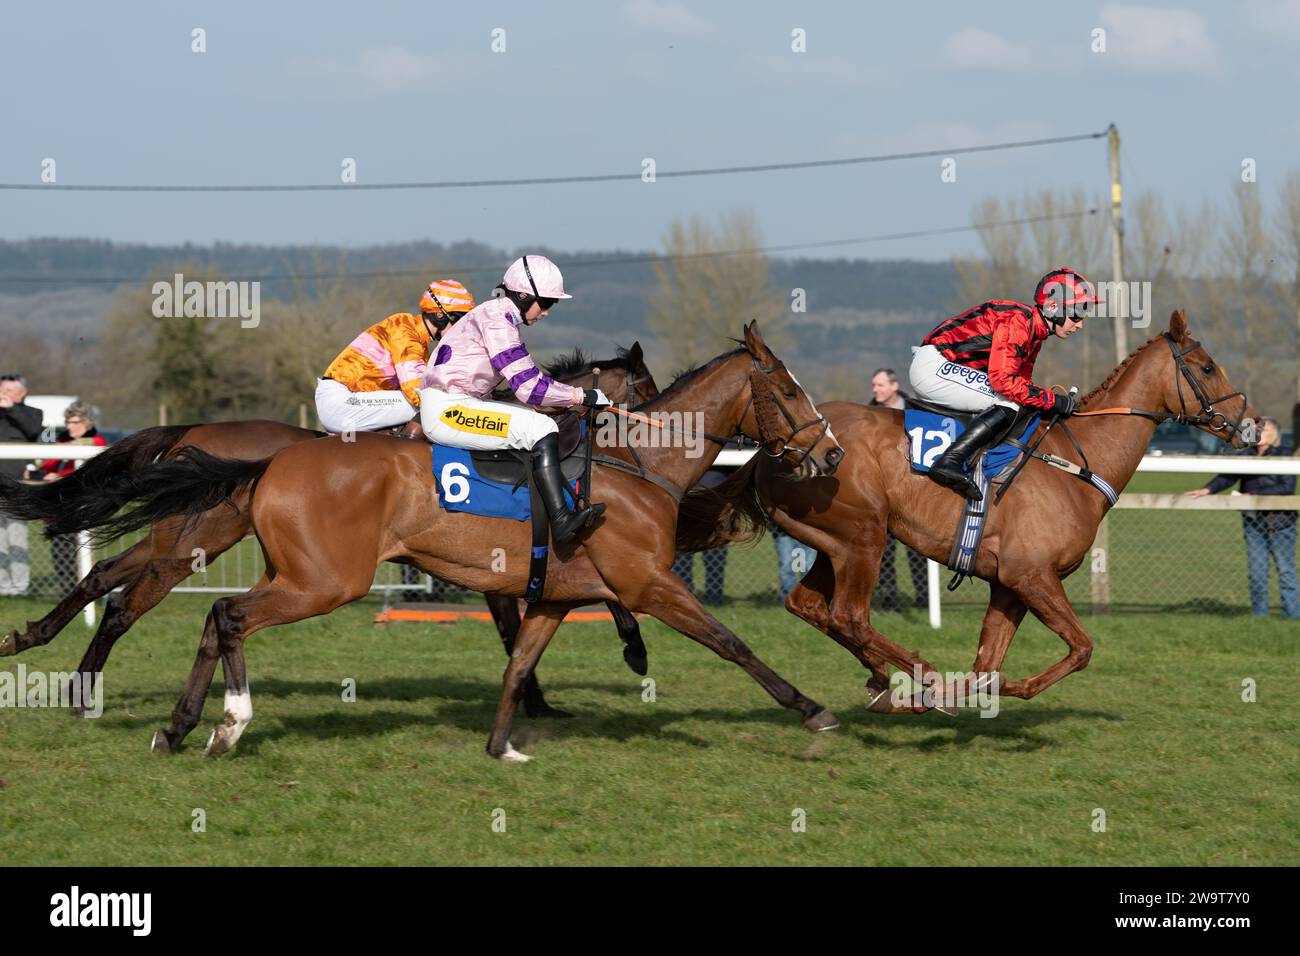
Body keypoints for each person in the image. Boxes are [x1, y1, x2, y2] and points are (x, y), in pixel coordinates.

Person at [419, 255, 610, 545]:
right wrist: (580, 395)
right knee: (541, 429)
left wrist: (565, 401)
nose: (546, 312)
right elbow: (530, 387)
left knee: (538, 420)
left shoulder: (499, 316)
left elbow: (529, 386)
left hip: (457, 402)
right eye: (545, 303)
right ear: (523, 295)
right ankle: (560, 520)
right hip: (449, 409)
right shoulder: (497, 321)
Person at [909, 268, 1097, 500]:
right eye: (1076, 315)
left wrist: (1050, 403)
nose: (1079, 325)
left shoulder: (1034, 336)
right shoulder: (1018, 322)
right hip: (933, 367)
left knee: (1019, 403)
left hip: (944, 367)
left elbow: (1024, 385)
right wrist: (1051, 400)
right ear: (1054, 308)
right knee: (1009, 403)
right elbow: (1004, 382)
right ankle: (950, 461)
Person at [316, 279, 476, 438]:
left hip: (346, 400)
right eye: (459, 321)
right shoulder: (404, 329)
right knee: (432, 404)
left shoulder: (418, 343)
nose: (460, 330)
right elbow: (416, 390)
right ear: (440, 314)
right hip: (340, 402)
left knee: (432, 401)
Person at [1185, 417, 1298, 619]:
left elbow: (1286, 487)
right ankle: (1259, 617)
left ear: (1273, 433)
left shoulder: (1285, 455)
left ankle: (1292, 616)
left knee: (1286, 572)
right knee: (1257, 573)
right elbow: (1227, 477)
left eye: (1260, 430)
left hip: (1281, 522)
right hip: (1254, 523)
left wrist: (1254, 496)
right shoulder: (1246, 454)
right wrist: (1208, 489)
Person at [29, 401, 107, 590]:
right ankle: (67, 591)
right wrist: (42, 473)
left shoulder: (96, 442)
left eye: (74, 422)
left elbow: (88, 473)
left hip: (82, 507)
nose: (69, 426)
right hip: (58, 508)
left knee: (82, 554)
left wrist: (59, 476)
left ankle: (86, 591)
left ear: (86, 422)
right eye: (68, 422)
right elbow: (46, 465)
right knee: (59, 552)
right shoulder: (63, 442)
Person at [870, 367, 926, 608]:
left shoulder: (915, 410)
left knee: (918, 552)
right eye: (874, 385)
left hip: (915, 495)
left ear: (894, 386)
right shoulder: (868, 413)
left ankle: (924, 599)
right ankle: (889, 600)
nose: (875, 389)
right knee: (885, 553)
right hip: (883, 495)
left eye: (880, 385)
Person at [0, 374, 43, 596]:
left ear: (22, 393)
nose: (4, 396)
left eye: (8, 391)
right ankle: (2, 586)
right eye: (2, 391)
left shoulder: (32, 413)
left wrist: (11, 409)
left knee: (16, 536)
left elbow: (34, 430)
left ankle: (19, 587)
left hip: (16, 484)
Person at [674, 469, 729, 604]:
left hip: (716, 508)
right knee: (682, 560)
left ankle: (714, 597)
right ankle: (685, 598)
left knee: (715, 560)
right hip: (686, 506)